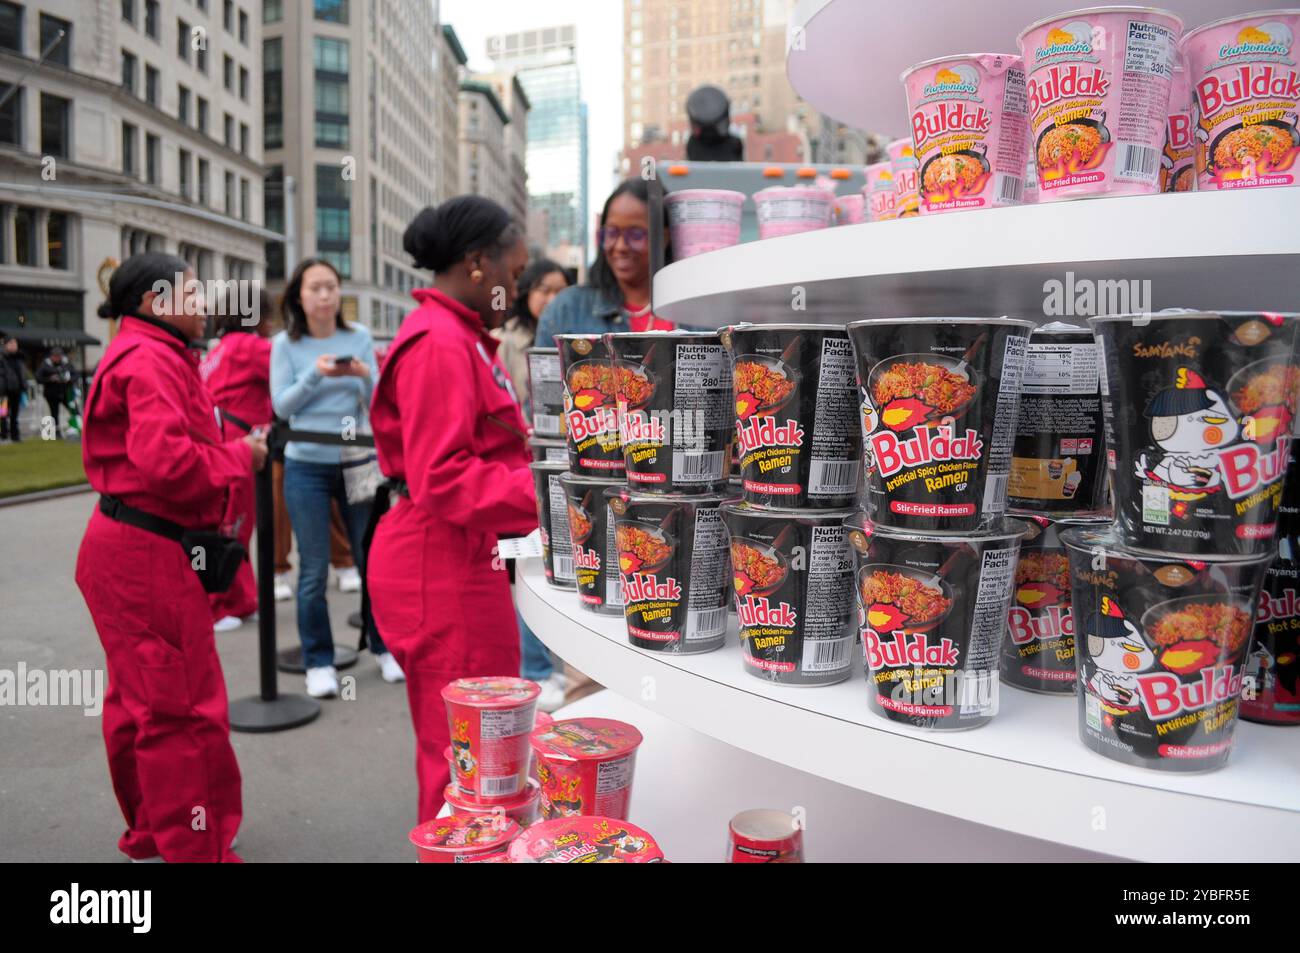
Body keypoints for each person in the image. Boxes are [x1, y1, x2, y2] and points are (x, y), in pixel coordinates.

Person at [75, 252, 267, 862]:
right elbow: (170, 465)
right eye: (194, 294)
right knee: (181, 709)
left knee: (139, 705)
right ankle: (197, 846)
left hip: (129, 546)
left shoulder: (145, 351)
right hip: (147, 553)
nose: (207, 305)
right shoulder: (153, 358)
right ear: (158, 302)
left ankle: (156, 831)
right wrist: (243, 459)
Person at [368, 196, 533, 822]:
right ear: (475, 265)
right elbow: (443, 476)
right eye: (511, 274)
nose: (514, 288)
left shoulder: (456, 337)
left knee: (476, 751)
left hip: (454, 556)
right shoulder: (441, 343)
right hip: (441, 564)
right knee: (468, 763)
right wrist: (542, 495)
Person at [270, 258, 403, 697]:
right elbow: (282, 407)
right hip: (305, 463)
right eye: (315, 288)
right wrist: (316, 373)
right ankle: (318, 660)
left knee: (372, 562)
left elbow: (380, 399)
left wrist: (364, 375)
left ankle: (384, 648)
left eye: (331, 287)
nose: (325, 295)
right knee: (312, 570)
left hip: (356, 459)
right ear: (299, 297)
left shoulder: (359, 337)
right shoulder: (284, 345)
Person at [492, 259, 571, 711]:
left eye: (560, 290)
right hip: (523, 466)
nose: (552, 299)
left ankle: (552, 667)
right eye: (543, 289)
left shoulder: (573, 338)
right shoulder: (508, 340)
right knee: (527, 570)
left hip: (567, 462)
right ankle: (537, 669)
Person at [199, 290, 276, 632]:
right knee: (234, 525)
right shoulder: (249, 346)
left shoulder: (219, 349)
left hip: (223, 445)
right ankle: (216, 603)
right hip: (239, 449)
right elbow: (288, 367)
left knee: (233, 525)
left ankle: (241, 599)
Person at [536, 177, 676, 344]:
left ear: (664, 237)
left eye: (636, 234)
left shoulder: (694, 310)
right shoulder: (567, 309)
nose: (621, 246)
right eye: (611, 233)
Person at [36, 346, 74, 437]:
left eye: (59, 356)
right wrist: (50, 379)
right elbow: (38, 377)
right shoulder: (45, 365)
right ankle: (54, 434)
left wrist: (68, 379)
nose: (57, 358)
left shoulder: (66, 364)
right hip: (51, 394)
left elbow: (75, 374)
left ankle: (75, 429)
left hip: (65, 392)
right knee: (53, 414)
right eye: (55, 356)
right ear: (51, 356)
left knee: (73, 410)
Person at [1, 334, 25, 442]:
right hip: (4, 392)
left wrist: (23, 386)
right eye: (11, 343)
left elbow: (21, 374)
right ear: (5, 345)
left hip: (16, 390)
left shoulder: (18, 358)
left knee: (15, 414)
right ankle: (3, 435)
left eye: (15, 343)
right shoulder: (2, 358)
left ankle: (15, 436)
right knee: (3, 414)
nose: (14, 345)